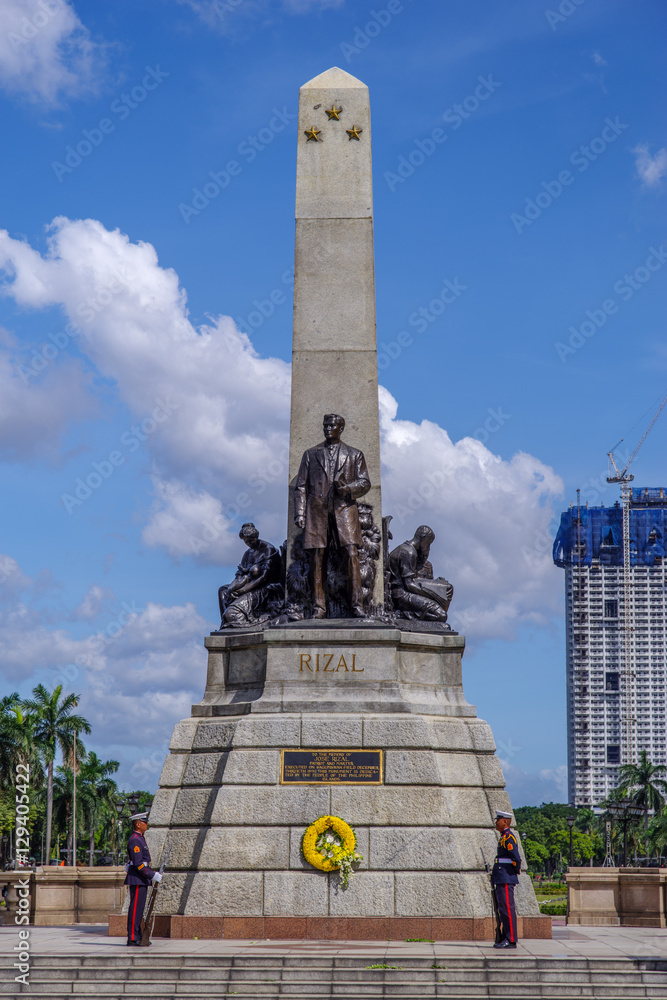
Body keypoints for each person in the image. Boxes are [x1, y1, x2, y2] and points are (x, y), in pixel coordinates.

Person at [294, 413, 371, 618]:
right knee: (317, 558)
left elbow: (365, 483)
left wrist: (347, 490)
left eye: (332, 426)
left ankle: (357, 605)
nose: (328, 429)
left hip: (344, 511)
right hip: (317, 512)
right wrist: (300, 513)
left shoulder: (354, 455)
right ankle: (319, 607)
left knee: (351, 555)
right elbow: (300, 486)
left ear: (341, 428)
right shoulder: (311, 454)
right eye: (325, 425)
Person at [217, 523, 283, 628]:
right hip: (247, 583)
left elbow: (263, 578)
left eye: (250, 540)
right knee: (223, 591)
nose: (248, 543)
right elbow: (239, 574)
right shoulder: (248, 553)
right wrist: (231, 588)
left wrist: (243, 590)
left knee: (232, 613)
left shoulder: (268, 549)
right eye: (246, 541)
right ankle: (226, 624)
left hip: (263, 588)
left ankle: (241, 621)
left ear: (256, 537)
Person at [389, 526, 453, 622]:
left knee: (446, 588)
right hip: (401, 595)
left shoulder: (406, 549)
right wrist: (435, 595)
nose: (428, 547)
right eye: (428, 543)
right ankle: (404, 615)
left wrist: (434, 585)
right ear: (424, 538)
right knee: (441, 616)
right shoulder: (409, 553)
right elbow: (409, 585)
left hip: (404, 592)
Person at [125, 811, 161, 946]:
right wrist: (152, 875)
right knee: (135, 909)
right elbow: (139, 864)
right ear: (138, 824)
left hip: (140, 878)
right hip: (138, 878)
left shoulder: (139, 837)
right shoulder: (135, 839)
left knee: (139, 909)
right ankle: (133, 937)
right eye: (144, 822)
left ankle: (138, 935)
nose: (147, 824)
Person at [491, 809, 521, 949]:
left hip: (506, 877)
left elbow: (516, 859)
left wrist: (513, 872)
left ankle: (511, 939)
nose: (496, 822)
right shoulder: (503, 837)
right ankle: (505, 936)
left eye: (498, 820)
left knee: (508, 909)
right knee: (503, 909)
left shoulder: (508, 837)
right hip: (501, 876)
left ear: (505, 821)